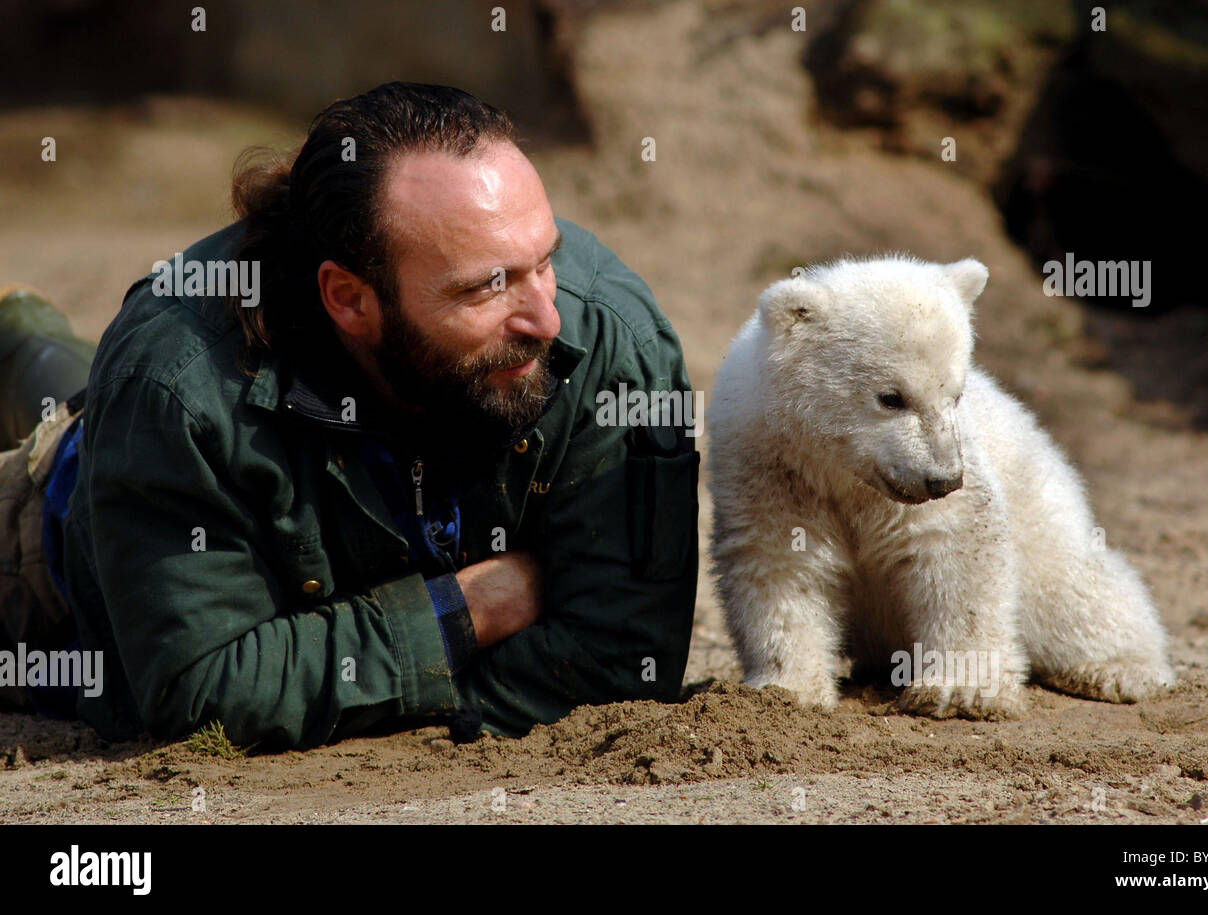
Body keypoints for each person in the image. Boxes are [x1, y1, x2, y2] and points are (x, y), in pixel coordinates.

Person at [0, 82, 699, 750]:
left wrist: (363, 695)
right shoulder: (174, 391)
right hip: (65, 545)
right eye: (487, 286)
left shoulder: (608, 340)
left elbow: (622, 664)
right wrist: (464, 613)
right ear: (350, 298)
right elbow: (203, 685)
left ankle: (24, 333)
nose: (544, 317)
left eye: (543, 261)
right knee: (67, 432)